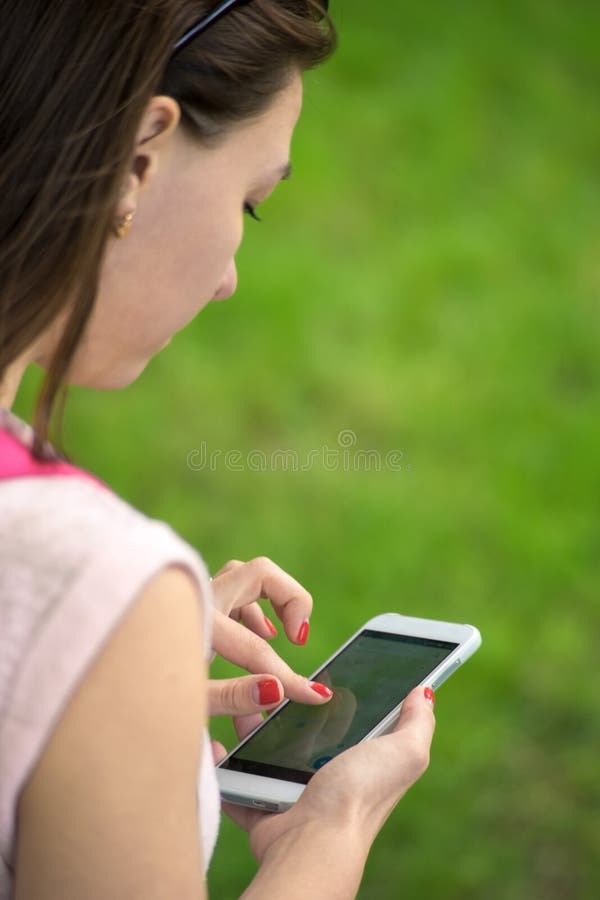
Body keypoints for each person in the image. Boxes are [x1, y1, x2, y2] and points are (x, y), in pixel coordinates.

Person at [0, 2, 436, 897]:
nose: (231, 278)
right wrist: (327, 835)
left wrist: (94, 669)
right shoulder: (85, 573)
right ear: (139, 158)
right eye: (250, 202)